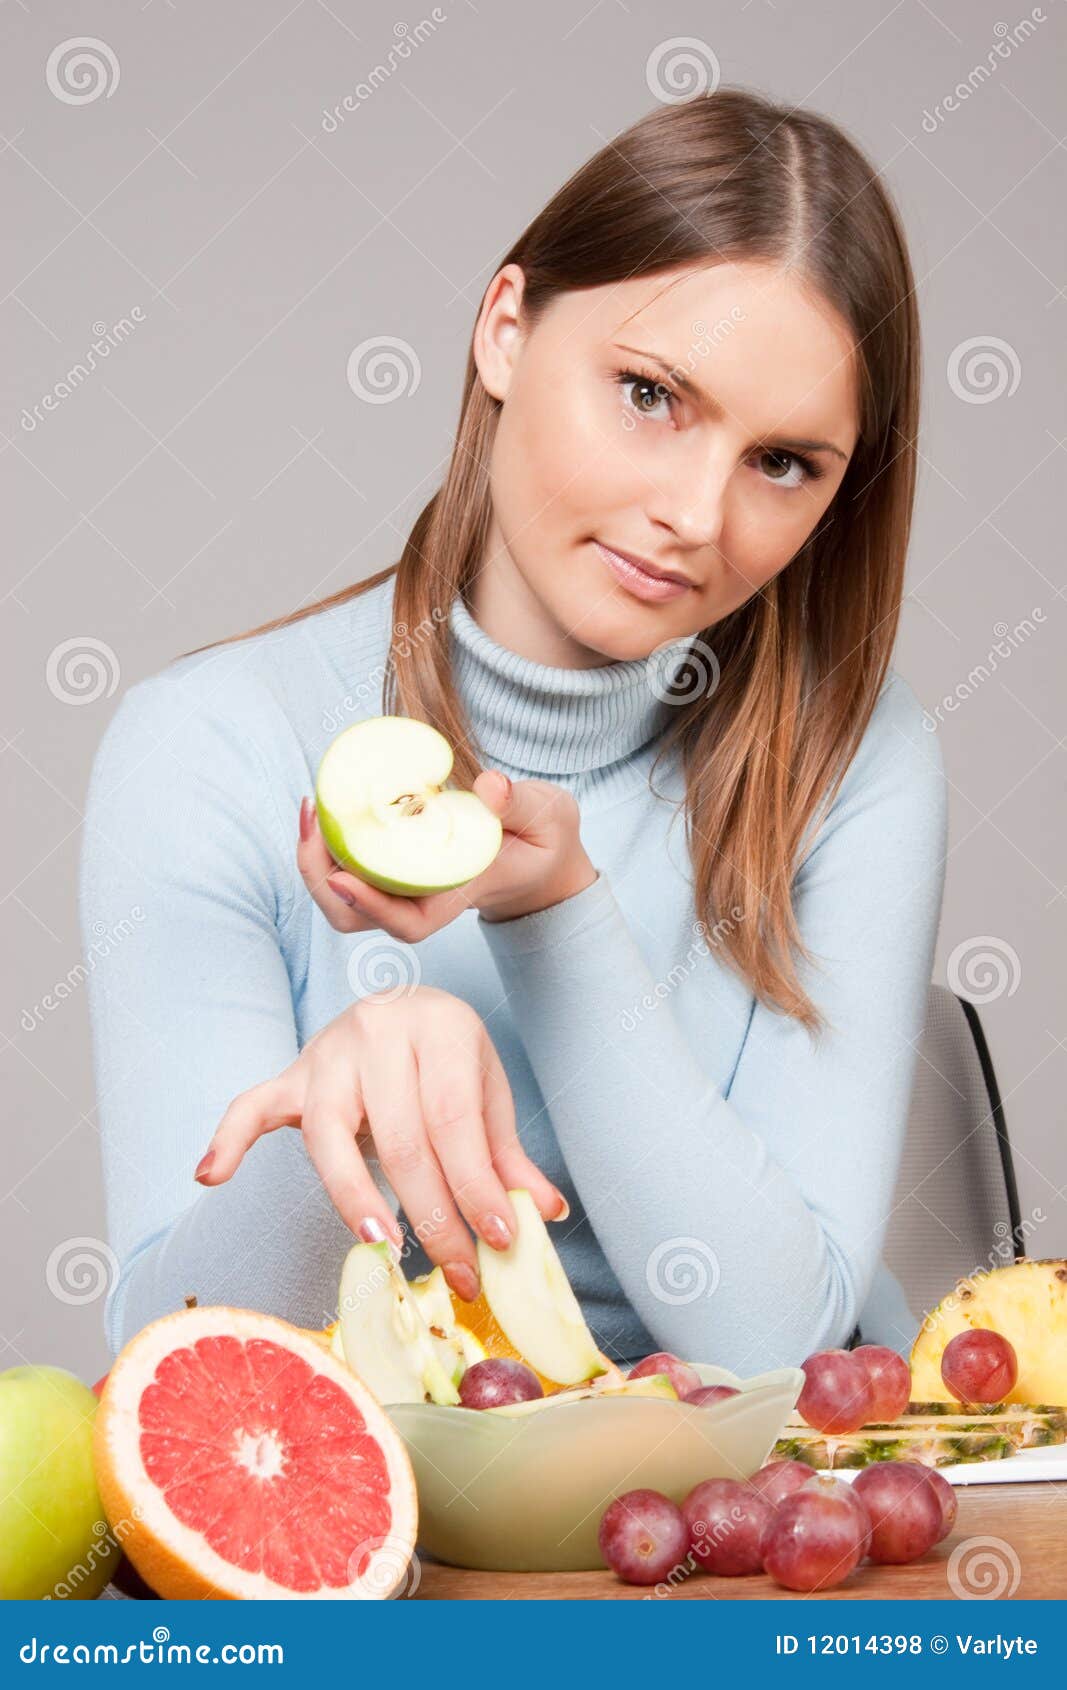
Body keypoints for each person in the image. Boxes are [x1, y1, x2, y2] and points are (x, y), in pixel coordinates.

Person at [80, 88, 946, 1373]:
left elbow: (769, 1339)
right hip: (383, 1555)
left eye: (782, 463)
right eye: (650, 396)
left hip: (739, 1552)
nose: (696, 515)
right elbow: (181, 1369)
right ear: (502, 332)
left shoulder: (853, 761)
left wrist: (555, 912)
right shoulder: (206, 747)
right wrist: (349, 1115)